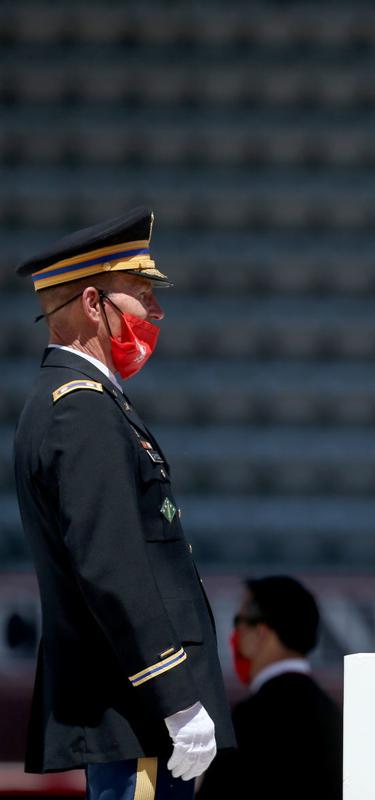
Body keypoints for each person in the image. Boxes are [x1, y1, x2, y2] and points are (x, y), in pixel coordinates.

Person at [12, 207, 233, 799]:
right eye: (139, 294)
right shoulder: (81, 410)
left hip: (135, 717)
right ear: (92, 304)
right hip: (136, 720)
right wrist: (178, 701)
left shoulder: (84, 404)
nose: (154, 311)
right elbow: (112, 569)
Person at [198, 576, 341, 799]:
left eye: (239, 621)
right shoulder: (334, 714)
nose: (235, 635)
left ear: (261, 632)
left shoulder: (251, 717)